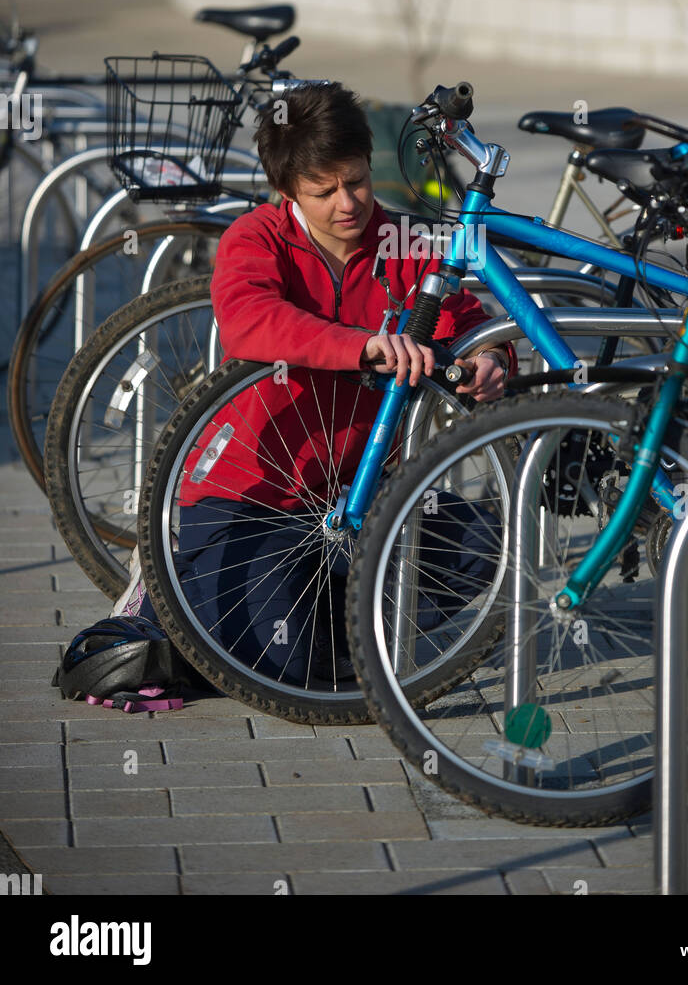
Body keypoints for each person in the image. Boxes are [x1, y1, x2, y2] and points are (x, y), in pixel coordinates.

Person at [138, 82, 515, 685]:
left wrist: (493, 356)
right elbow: (248, 321)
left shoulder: (398, 243)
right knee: (290, 664)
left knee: (488, 542)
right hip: (254, 501)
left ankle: (337, 616)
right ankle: (175, 588)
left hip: (359, 501)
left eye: (357, 180)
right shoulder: (256, 238)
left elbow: (466, 318)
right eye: (324, 190)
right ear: (286, 191)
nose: (348, 203)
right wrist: (361, 346)